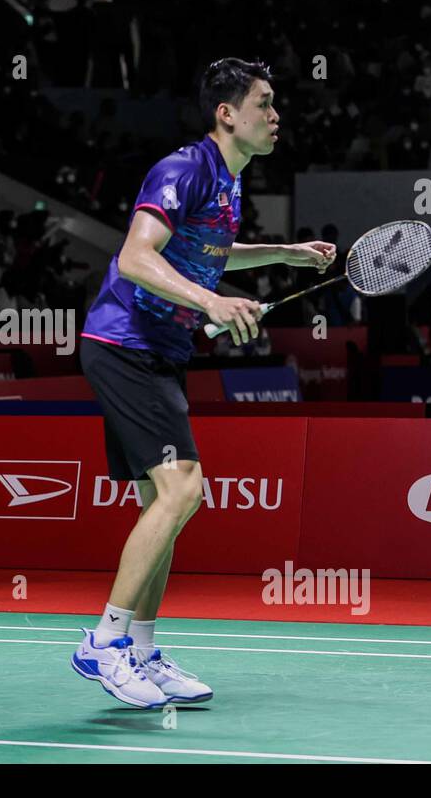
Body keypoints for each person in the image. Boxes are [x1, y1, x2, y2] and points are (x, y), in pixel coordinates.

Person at [76, 58, 335, 708]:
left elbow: (208, 256)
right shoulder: (183, 169)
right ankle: (103, 644)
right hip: (123, 345)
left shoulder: (227, 182)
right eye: (264, 103)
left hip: (157, 352)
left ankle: (139, 646)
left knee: (163, 501)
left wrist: (282, 254)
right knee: (184, 487)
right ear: (227, 113)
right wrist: (212, 303)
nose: (276, 116)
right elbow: (135, 257)